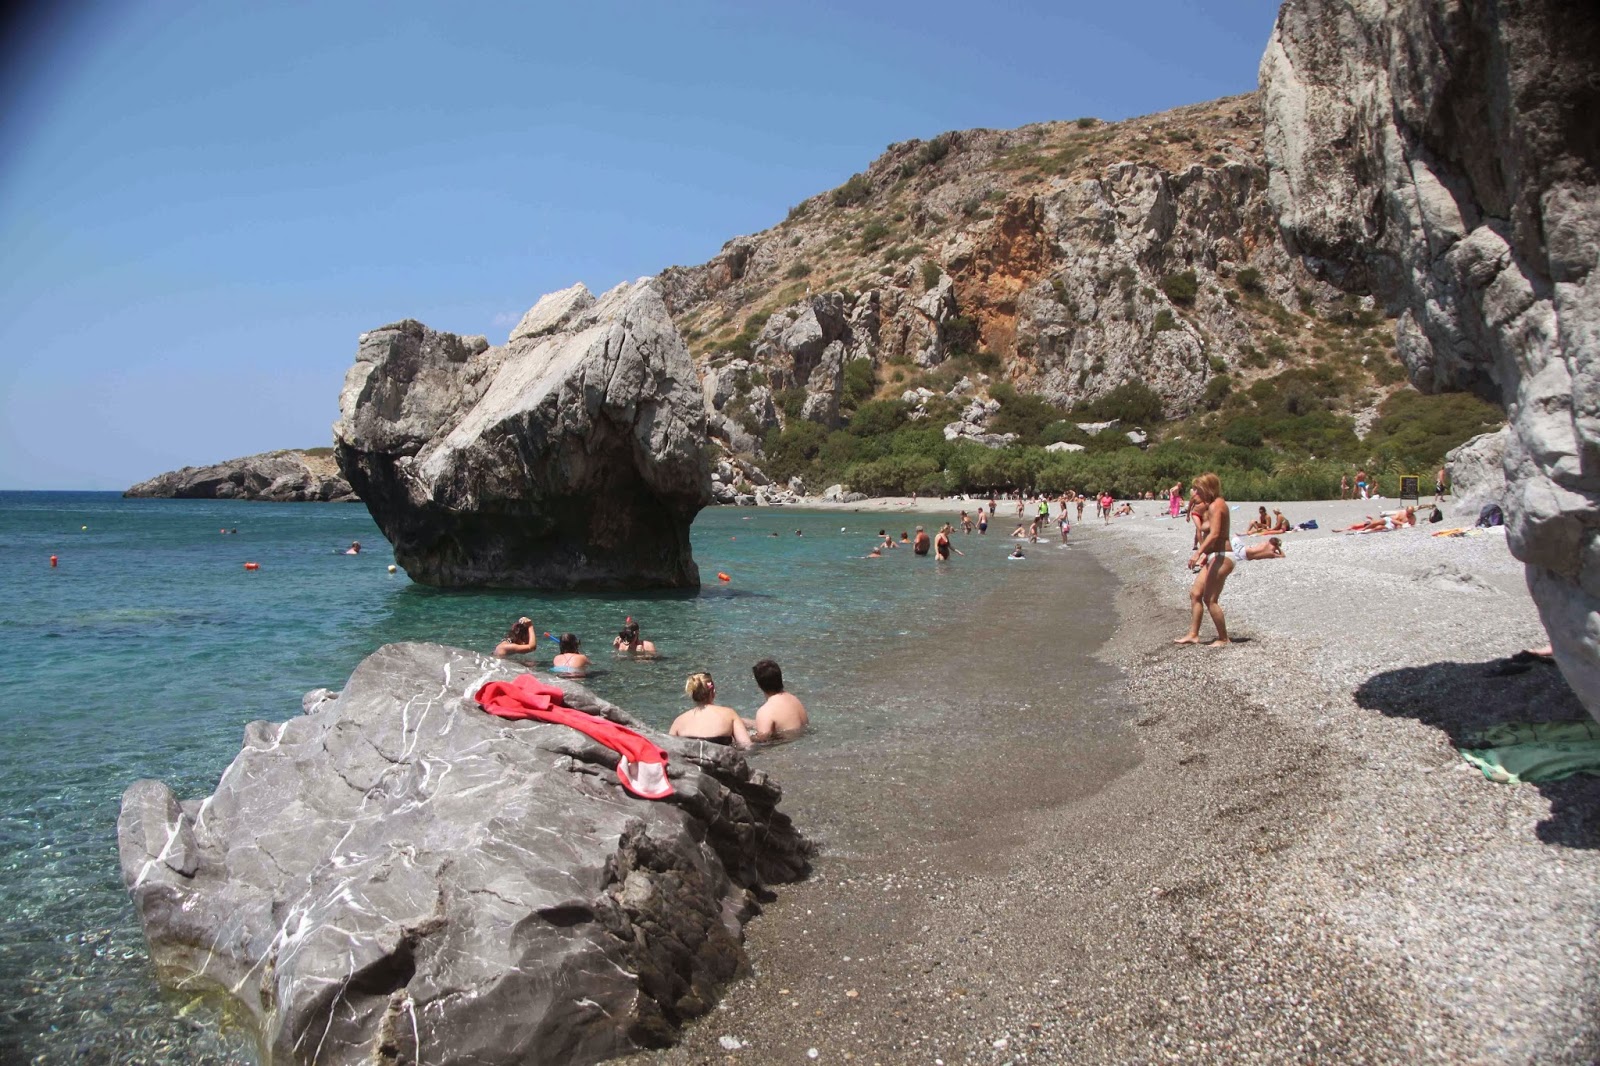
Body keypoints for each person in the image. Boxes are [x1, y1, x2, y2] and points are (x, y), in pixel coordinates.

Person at [1176, 472, 1233, 646]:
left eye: (1199, 490)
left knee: (1210, 599)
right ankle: (1193, 634)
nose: (1195, 493)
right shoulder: (1211, 506)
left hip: (1223, 556)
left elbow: (1215, 534)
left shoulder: (1217, 505)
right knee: (1195, 594)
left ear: (1209, 488)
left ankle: (1224, 638)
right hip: (1213, 556)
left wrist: (1197, 553)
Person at [670, 672, 752, 748]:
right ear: (713, 692)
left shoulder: (679, 722)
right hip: (721, 761)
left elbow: (668, 748)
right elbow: (746, 745)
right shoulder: (729, 714)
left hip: (689, 763)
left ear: (692, 695)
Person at [740, 659, 809, 740]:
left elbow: (763, 739)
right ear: (780, 678)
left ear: (759, 685)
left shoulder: (766, 711)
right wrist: (744, 723)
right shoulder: (794, 699)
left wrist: (742, 736)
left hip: (784, 749)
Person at [1335, 507, 1416, 533]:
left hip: (1392, 525)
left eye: (1410, 513)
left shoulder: (1412, 518)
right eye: (1408, 512)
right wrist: (1401, 523)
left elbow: (1409, 526)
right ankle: (1343, 529)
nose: (1408, 514)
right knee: (1377, 522)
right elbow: (1392, 519)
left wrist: (1401, 525)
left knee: (1379, 526)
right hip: (1389, 521)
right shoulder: (1401, 512)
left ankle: (1365, 531)